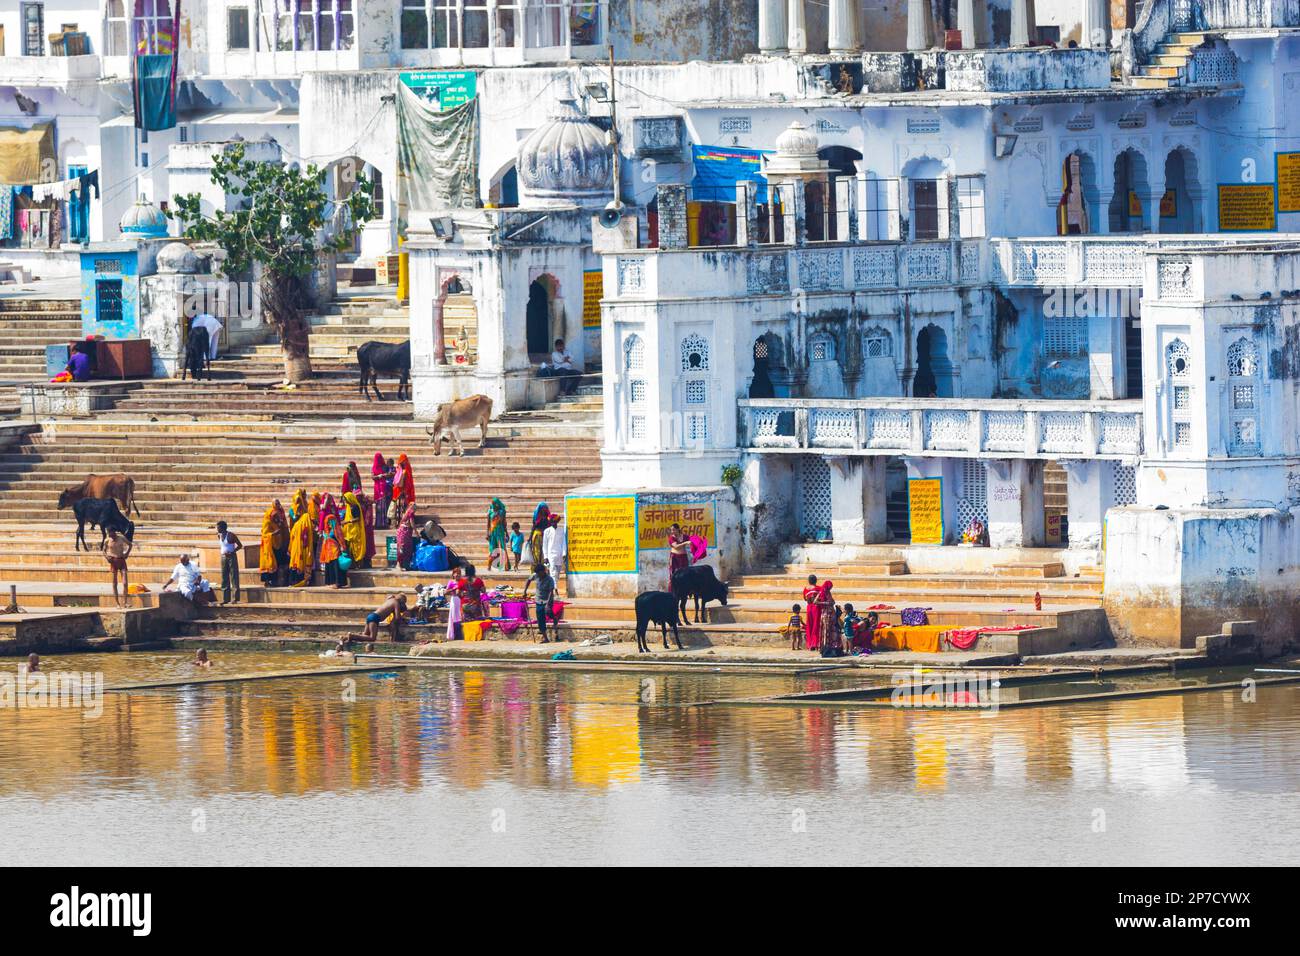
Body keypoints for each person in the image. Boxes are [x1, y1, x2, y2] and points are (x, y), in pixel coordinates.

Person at [523, 562, 558, 644]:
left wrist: (547, 604)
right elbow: (528, 580)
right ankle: (546, 638)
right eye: (537, 573)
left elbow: (551, 592)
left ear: (543, 571)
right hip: (538, 599)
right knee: (540, 619)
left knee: (548, 612)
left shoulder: (550, 579)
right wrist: (524, 591)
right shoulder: (535, 575)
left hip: (547, 599)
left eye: (540, 573)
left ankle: (554, 618)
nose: (539, 575)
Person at [287, 503, 316, 587]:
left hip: (295, 549)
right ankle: (301, 581)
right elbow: (307, 538)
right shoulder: (307, 525)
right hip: (304, 549)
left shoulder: (296, 525)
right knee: (302, 564)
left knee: (295, 564)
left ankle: (292, 582)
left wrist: (290, 548)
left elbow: (291, 537)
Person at [104, 526, 133, 608]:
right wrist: (107, 557)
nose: (110, 536)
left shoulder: (121, 538)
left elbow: (130, 545)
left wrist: (127, 554)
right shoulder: (107, 540)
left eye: (111, 534)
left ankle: (125, 602)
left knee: (125, 583)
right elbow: (103, 551)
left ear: (114, 532)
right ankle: (117, 603)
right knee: (114, 583)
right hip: (113, 562)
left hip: (121, 560)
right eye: (109, 534)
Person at [216, 521, 243, 605]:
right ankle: (225, 598)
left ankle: (235, 598)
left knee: (234, 576)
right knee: (224, 577)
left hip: (231, 557)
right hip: (223, 557)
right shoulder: (219, 535)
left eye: (218, 527)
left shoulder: (231, 535)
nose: (217, 529)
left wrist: (232, 552)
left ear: (222, 527)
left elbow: (240, 545)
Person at [320, 513, 348, 588]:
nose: (328, 523)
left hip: (335, 551)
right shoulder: (327, 531)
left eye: (329, 522)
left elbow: (341, 540)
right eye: (327, 522)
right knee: (330, 567)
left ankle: (338, 583)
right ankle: (330, 582)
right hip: (328, 553)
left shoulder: (337, 529)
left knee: (336, 567)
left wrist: (342, 547)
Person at [340, 491, 367, 568]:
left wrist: (348, 521)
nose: (345, 501)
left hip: (355, 529)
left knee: (356, 547)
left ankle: (358, 564)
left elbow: (358, 518)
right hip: (349, 530)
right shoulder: (348, 506)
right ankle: (352, 564)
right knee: (349, 547)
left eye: (346, 499)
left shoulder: (355, 506)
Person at [802, 573, 827, 652]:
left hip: (809, 607)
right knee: (816, 625)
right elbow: (823, 597)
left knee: (810, 625)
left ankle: (809, 645)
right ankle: (815, 644)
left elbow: (805, 599)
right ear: (816, 581)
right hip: (816, 608)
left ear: (809, 581)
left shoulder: (805, 589)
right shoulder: (818, 588)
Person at [371, 453, 393, 530]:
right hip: (378, 488)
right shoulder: (374, 468)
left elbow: (390, 473)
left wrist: (385, 475)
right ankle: (379, 523)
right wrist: (379, 476)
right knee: (379, 505)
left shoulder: (385, 467)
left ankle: (384, 523)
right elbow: (372, 477)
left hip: (384, 488)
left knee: (384, 505)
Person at [486, 497, 509, 571]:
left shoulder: (501, 512)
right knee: (493, 549)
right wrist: (487, 533)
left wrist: (506, 533)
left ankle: (506, 566)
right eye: (492, 504)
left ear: (497, 504)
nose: (494, 505)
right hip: (492, 533)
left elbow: (504, 523)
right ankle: (489, 565)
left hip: (500, 531)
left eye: (495, 504)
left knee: (502, 548)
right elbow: (488, 523)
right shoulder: (490, 512)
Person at [445, 565, 464, 641]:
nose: (457, 575)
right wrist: (453, 589)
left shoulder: (462, 582)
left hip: (461, 600)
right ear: (453, 574)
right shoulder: (451, 582)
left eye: (458, 573)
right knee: (454, 617)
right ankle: (454, 634)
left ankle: (460, 634)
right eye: (455, 573)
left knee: (461, 616)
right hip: (454, 600)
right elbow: (446, 592)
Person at [543, 512, 565, 577]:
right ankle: (554, 586)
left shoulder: (561, 530)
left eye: (554, 521)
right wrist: (545, 557)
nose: (553, 523)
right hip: (550, 554)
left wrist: (564, 554)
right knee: (552, 571)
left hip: (559, 554)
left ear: (557, 522)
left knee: (557, 572)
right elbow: (545, 545)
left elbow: (563, 543)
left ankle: (554, 584)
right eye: (552, 522)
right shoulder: (547, 531)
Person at [396, 502, 417, 570]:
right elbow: (412, 523)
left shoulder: (407, 512)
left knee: (407, 548)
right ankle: (399, 565)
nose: (415, 506)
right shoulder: (410, 512)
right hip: (404, 532)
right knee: (402, 548)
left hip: (405, 532)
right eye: (413, 505)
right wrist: (417, 532)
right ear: (410, 506)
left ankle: (405, 565)